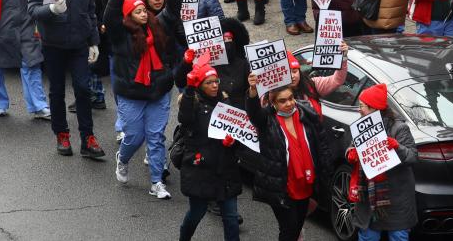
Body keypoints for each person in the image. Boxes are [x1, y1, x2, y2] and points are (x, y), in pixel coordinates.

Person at [28, 0, 104, 158]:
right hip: (54, 44)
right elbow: (31, 9)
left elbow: (90, 10)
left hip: (79, 43)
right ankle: (62, 134)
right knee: (57, 91)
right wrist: (51, 10)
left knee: (83, 88)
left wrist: (94, 42)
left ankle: (88, 138)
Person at [106, 0, 178, 199]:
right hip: (132, 94)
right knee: (135, 137)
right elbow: (110, 17)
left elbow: (173, 10)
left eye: (144, 11)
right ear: (128, 16)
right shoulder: (120, 35)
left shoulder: (158, 26)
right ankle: (123, 159)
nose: (144, 14)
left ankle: (157, 182)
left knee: (155, 137)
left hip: (158, 92)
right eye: (138, 11)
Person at [246, 76, 329, 241]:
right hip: (283, 187)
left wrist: (326, 173)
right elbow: (254, 113)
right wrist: (253, 91)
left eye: (291, 98)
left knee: (297, 228)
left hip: (305, 184)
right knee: (288, 230)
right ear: (274, 103)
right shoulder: (267, 120)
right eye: (283, 101)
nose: (289, 103)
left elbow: (322, 145)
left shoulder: (307, 113)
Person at [177, 58, 242, 241]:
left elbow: (239, 132)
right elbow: (185, 117)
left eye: (216, 81)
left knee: (230, 218)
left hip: (225, 170)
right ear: (199, 85)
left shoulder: (226, 104)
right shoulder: (193, 104)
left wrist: (233, 142)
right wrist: (189, 89)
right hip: (201, 172)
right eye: (209, 83)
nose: (214, 86)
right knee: (196, 214)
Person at [347, 83, 418, 241]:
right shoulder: (362, 127)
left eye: (362, 106)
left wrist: (397, 147)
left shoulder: (399, 128)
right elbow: (351, 148)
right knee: (368, 237)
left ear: (374, 109)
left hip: (397, 198)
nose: (359, 110)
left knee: (398, 237)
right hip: (369, 198)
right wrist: (351, 154)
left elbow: (413, 156)